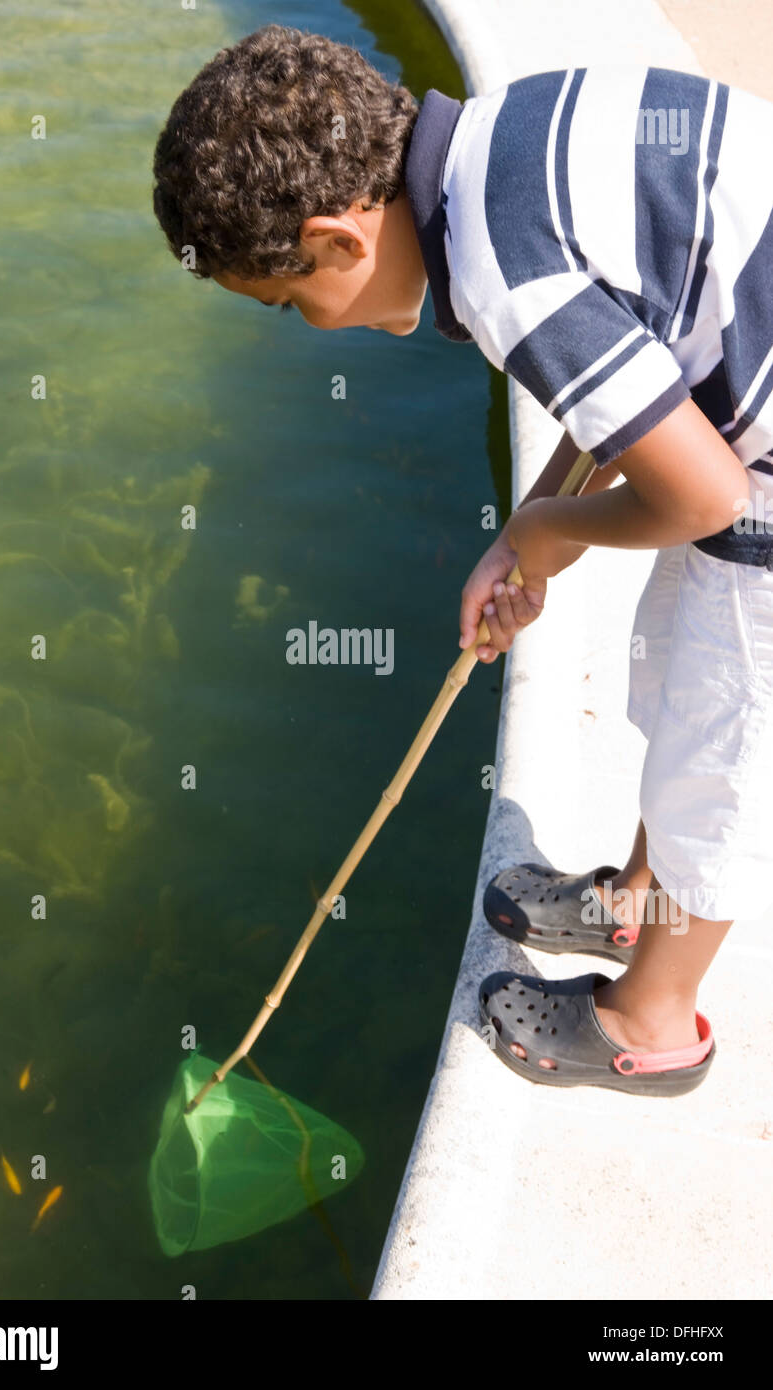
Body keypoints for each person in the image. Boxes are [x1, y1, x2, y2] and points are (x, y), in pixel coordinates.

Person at [151, 24, 773, 1095]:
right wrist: (525, 525)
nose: (312, 326)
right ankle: (636, 902)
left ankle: (653, 1017)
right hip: (738, 397)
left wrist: (551, 533)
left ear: (339, 239)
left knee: (719, 741)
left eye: (292, 301)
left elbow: (704, 494)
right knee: (673, 675)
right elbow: (634, 373)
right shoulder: (496, 156)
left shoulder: (498, 272)